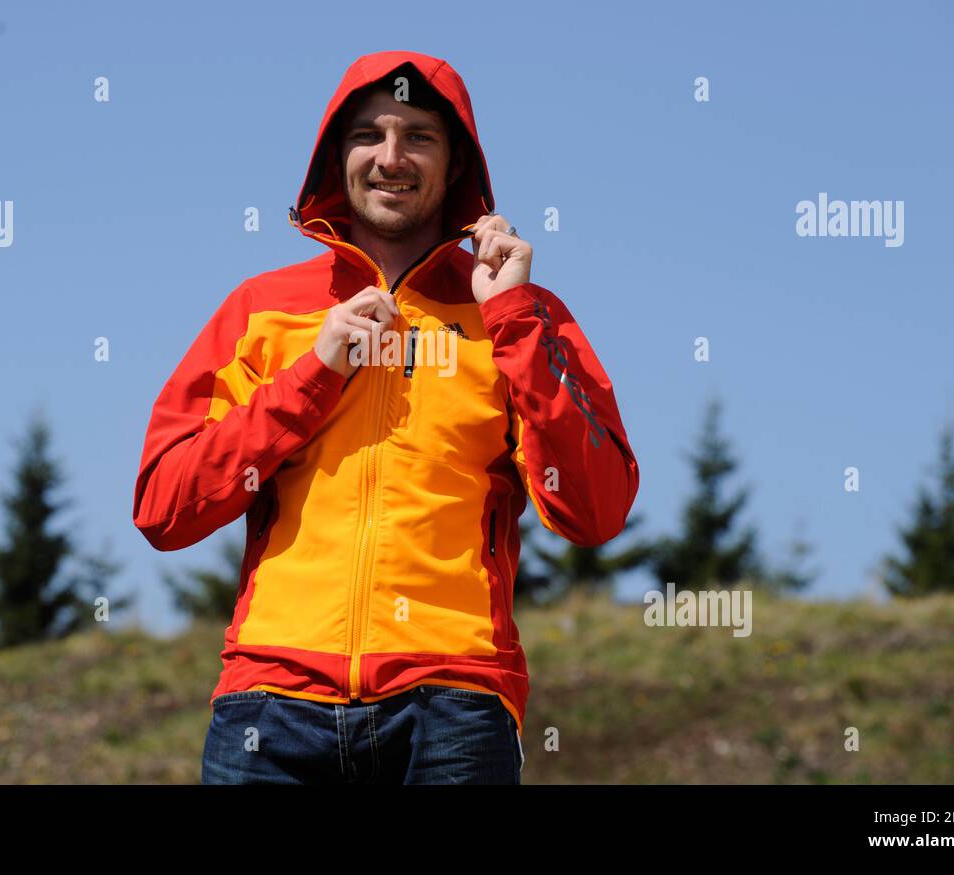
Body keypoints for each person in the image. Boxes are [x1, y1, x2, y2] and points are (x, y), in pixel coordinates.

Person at [133, 50, 640, 784]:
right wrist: (313, 375)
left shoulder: (520, 313)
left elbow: (595, 511)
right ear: (335, 156)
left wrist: (512, 318)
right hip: (270, 707)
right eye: (368, 134)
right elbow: (163, 506)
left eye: (419, 137)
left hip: (455, 706)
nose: (391, 157)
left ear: (456, 163)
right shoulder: (260, 309)